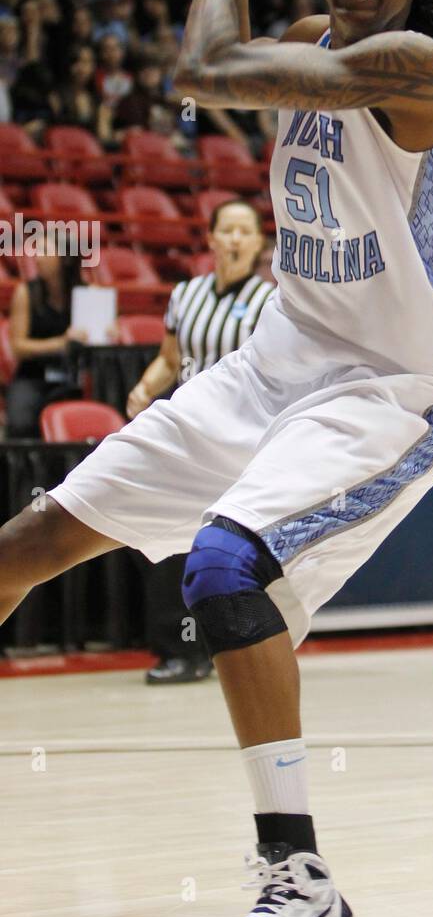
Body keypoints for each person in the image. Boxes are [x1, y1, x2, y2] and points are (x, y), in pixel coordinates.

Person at [0, 0, 433, 917]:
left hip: (390, 385)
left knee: (223, 569)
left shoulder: (417, 65)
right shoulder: (302, 50)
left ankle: (300, 888)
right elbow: (220, 66)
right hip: (275, 362)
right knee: (29, 542)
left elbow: (203, 69)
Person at [126, 199, 275, 684]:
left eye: (244, 231)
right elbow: (171, 359)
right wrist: (145, 389)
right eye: (226, 230)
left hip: (240, 435)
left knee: (220, 540)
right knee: (167, 533)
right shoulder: (185, 294)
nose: (234, 239)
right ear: (209, 238)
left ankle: (224, 647)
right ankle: (176, 650)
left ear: (258, 243)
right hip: (187, 426)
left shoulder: (269, 301)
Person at [5, 250, 87, 437]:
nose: (38, 258)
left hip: (73, 376)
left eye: (45, 251)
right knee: (21, 423)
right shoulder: (26, 293)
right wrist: (61, 343)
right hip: (33, 375)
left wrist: (107, 332)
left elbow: (97, 341)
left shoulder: (86, 292)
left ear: (65, 258)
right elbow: (18, 347)